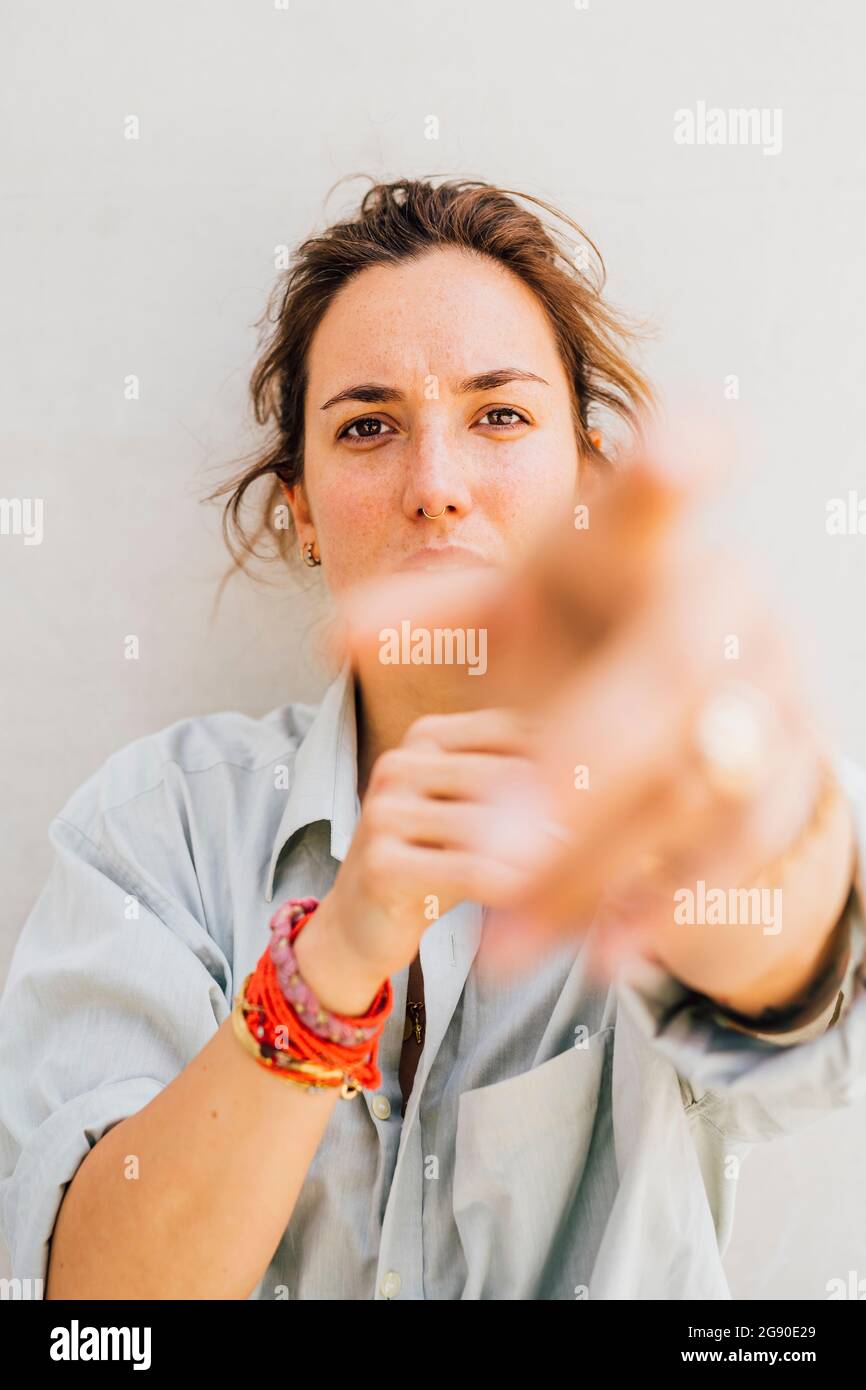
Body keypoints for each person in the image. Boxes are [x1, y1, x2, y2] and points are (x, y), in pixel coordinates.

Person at [1, 177, 864, 1301]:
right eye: (366, 427)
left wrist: (733, 812)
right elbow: (96, 1322)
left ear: (586, 478)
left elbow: (784, 968)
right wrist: (337, 956)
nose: (437, 487)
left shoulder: (667, 781)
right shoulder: (154, 826)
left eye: (498, 415)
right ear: (300, 507)